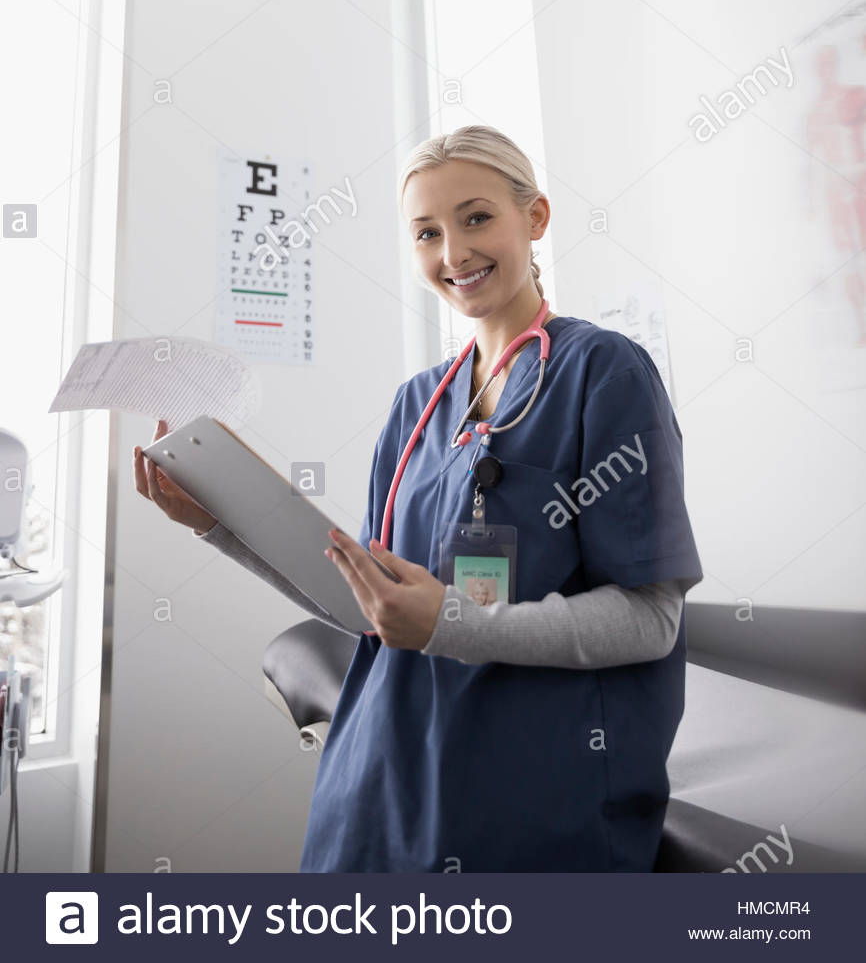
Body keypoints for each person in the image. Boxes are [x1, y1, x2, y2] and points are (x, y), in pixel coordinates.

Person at [133, 125, 703, 872]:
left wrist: (455, 624)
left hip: (531, 795)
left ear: (534, 219)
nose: (453, 254)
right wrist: (217, 524)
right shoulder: (417, 406)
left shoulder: (604, 373)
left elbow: (651, 618)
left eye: (475, 218)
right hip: (379, 776)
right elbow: (361, 604)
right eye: (426, 233)